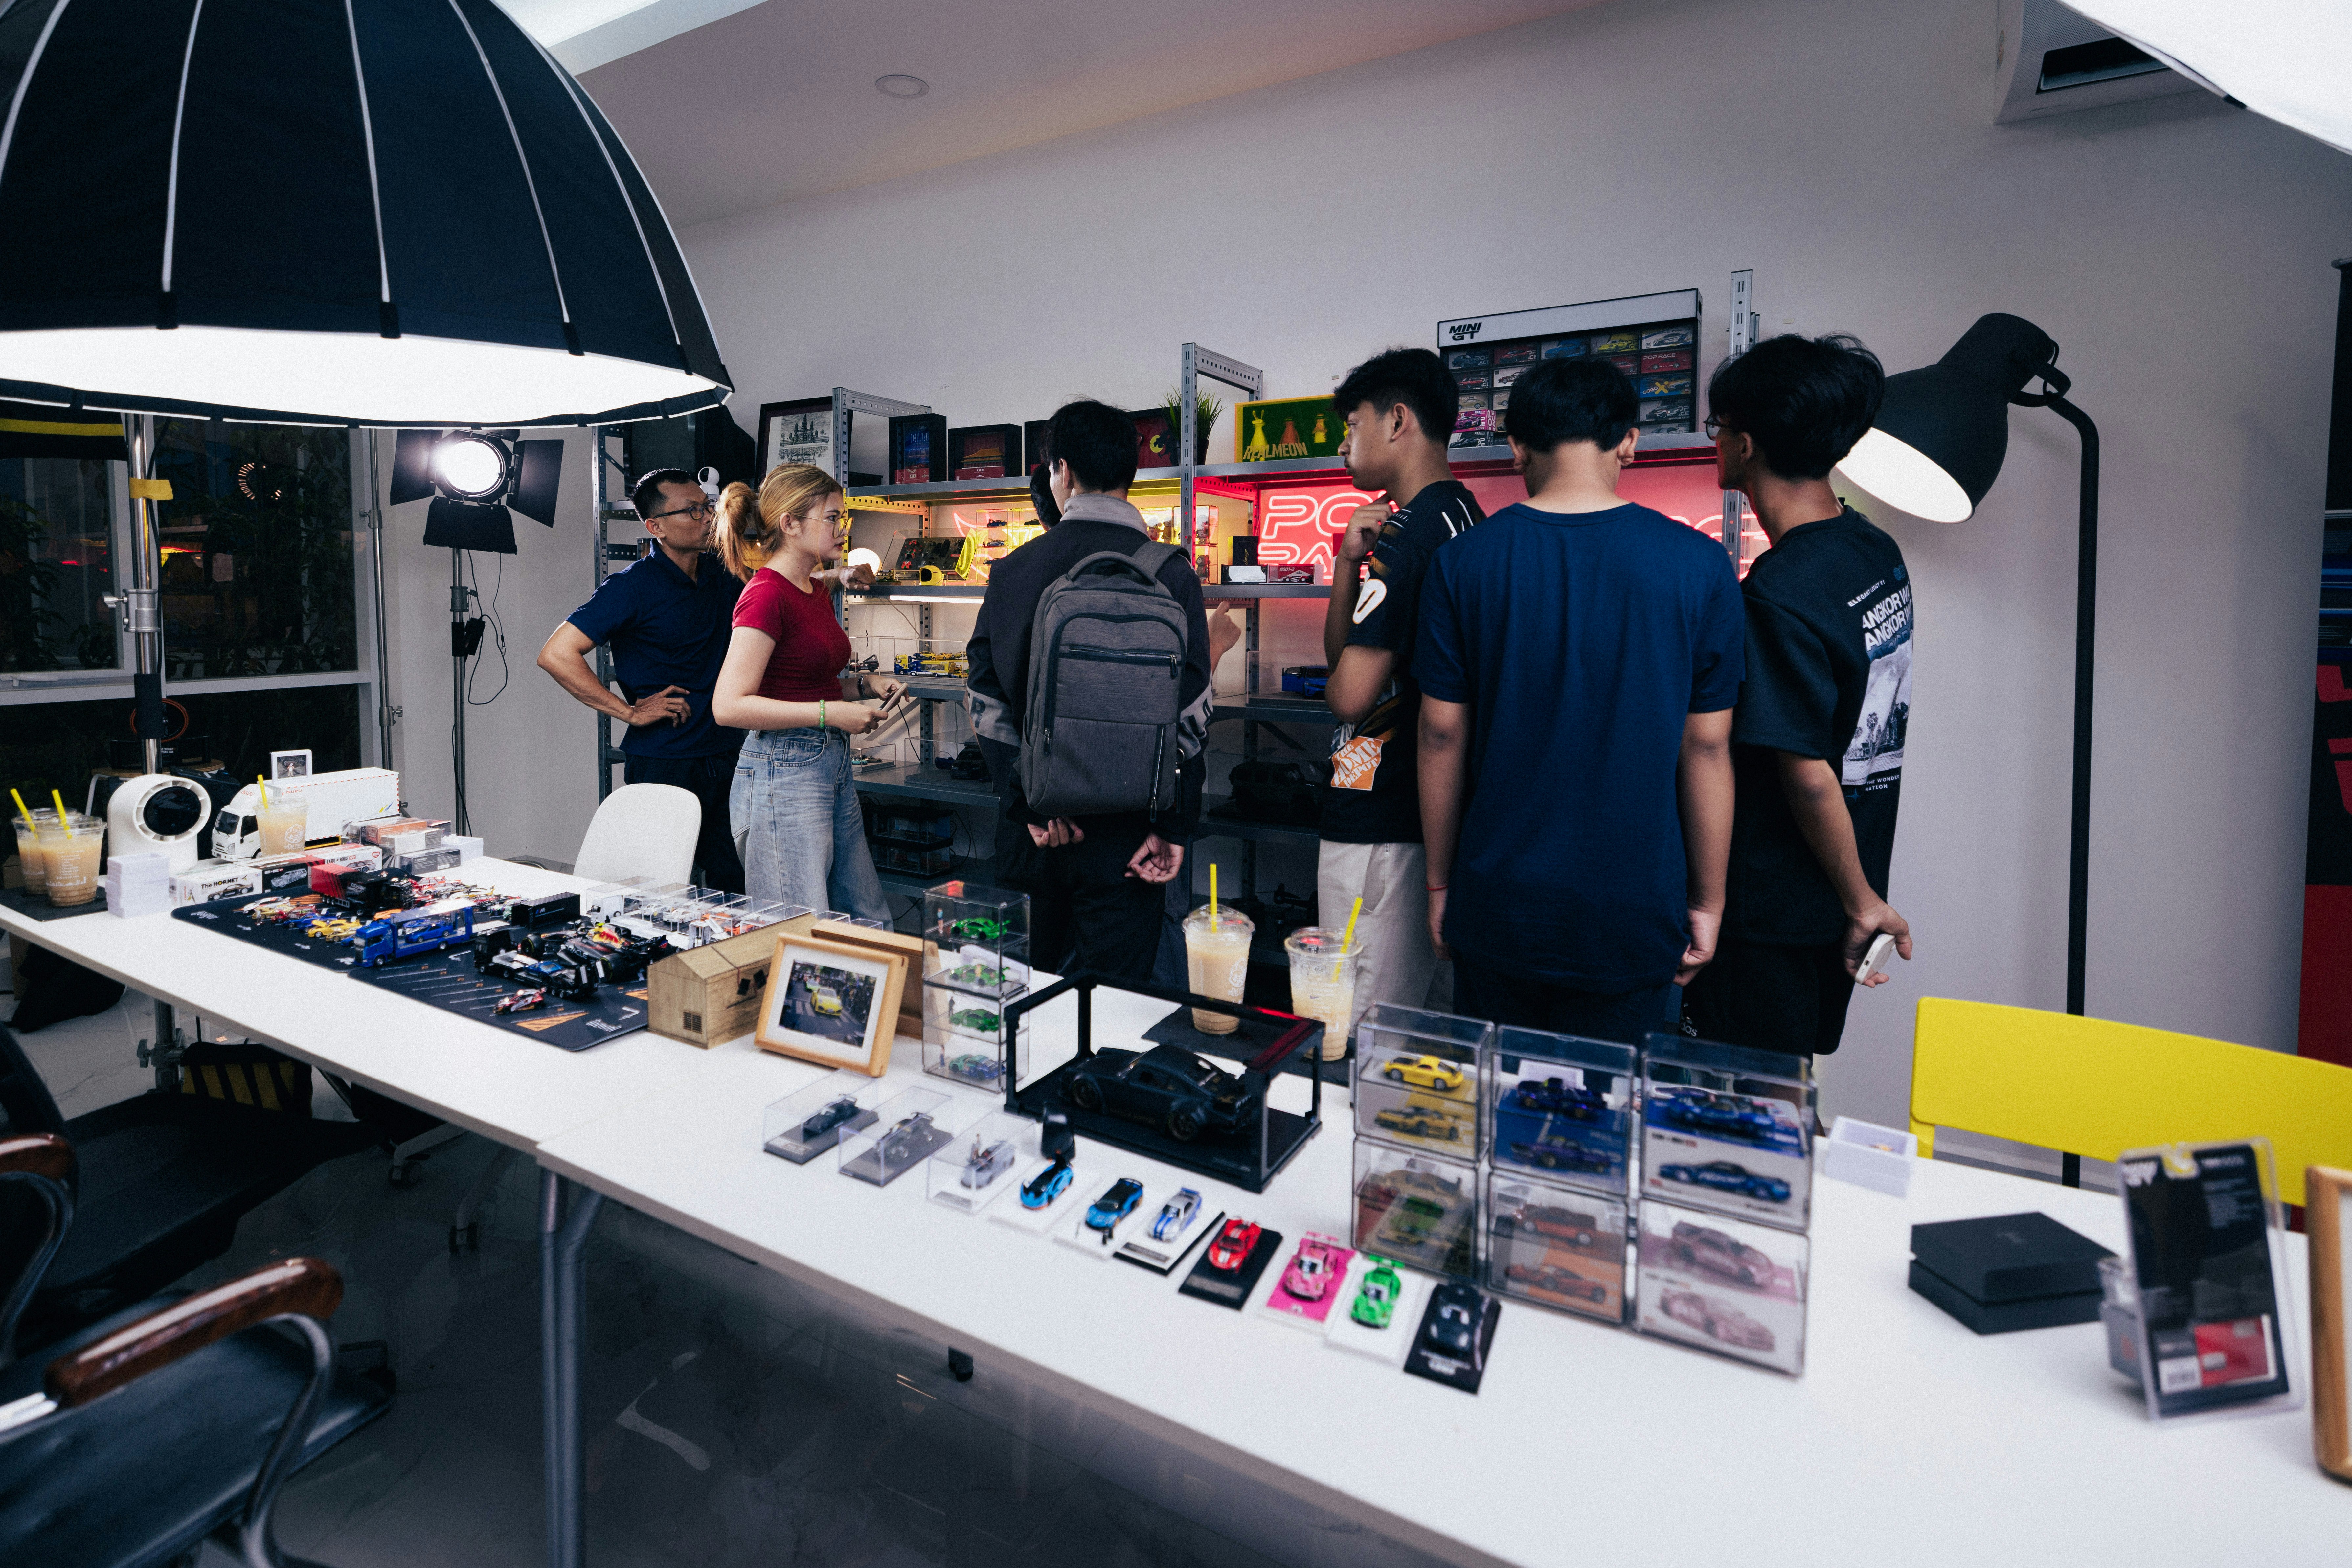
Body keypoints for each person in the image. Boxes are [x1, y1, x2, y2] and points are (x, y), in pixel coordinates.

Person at [1417, 357, 1743, 1043]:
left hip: (1498, 900)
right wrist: (1708, 902)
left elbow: (1440, 734)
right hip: (1632, 908)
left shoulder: (1463, 562)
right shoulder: (1699, 564)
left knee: (1494, 1121)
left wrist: (1440, 887)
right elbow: (1707, 746)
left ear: (1516, 444)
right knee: (1606, 1130)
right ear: (1627, 440)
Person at [1683, 334, 1914, 1057]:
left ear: (1745, 444)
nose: (1714, 441)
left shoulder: (1777, 594)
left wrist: (1861, 903)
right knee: (1785, 1086)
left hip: (1774, 908)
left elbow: (1806, 770)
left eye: (1717, 427)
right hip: (1838, 884)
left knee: (1743, 1106)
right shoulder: (1871, 547)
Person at [967, 399, 1211, 985]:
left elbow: (985, 700)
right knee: (1115, 1010)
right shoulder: (1173, 573)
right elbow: (1196, 710)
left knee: (1024, 1005)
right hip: (1130, 842)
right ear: (1131, 474)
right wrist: (1172, 829)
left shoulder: (1015, 570)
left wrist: (1027, 802)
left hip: (1038, 833)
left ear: (1062, 472)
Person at [1317, 347, 1484, 1046]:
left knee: (1357, 1035)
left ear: (1397, 420)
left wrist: (1373, 558)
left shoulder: (1410, 531)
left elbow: (1349, 692)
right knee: (1423, 1034)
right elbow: (1351, 656)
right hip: (1435, 817)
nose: (1343, 444)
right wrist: (1348, 563)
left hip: (1379, 821)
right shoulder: (1465, 516)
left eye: (1352, 424)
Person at [709, 463, 903, 920]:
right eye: (833, 518)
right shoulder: (765, 595)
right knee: (799, 926)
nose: (843, 529)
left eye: (844, 518)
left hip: (826, 763)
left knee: (866, 917)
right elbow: (728, 705)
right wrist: (831, 714)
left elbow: (802, 680)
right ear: (790, 525)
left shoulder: (812, 588)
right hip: (785, 770)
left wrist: (864, 686)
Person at [538, 468, 745, 891]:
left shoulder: (723, 576)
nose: (707, 518)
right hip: (665, 761)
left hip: (730, 755)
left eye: (707, 507)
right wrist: (628, 712)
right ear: (656, 528)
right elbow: (557, 654)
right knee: (659, 887)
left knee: (734, 884)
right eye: (692, 511)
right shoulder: (630, 587)